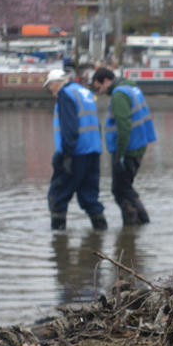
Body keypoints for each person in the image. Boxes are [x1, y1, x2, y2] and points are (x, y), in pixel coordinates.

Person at [91, 67, 156, 225]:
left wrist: (119, 155)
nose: (100, 92)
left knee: (120, 190)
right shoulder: (132, 88)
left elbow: (124, 126)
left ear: (106, 80)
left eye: (99, 87)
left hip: (128, 149)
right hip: (139, 145)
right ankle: (138, 225)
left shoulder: (119, 95)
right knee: (125, 187)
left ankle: (134, 224)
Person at [43, 68, 107, 231]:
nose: (51, 92)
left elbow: (70, 127)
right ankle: (100, 233)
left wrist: (66, 156)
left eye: (50, 87)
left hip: (75, 153)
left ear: (56, 83)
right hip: (93, 151)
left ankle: (58, 241)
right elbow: (95, 124)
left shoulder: (65, 94)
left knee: (58, 195)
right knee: (89, 197)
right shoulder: (84, 92)